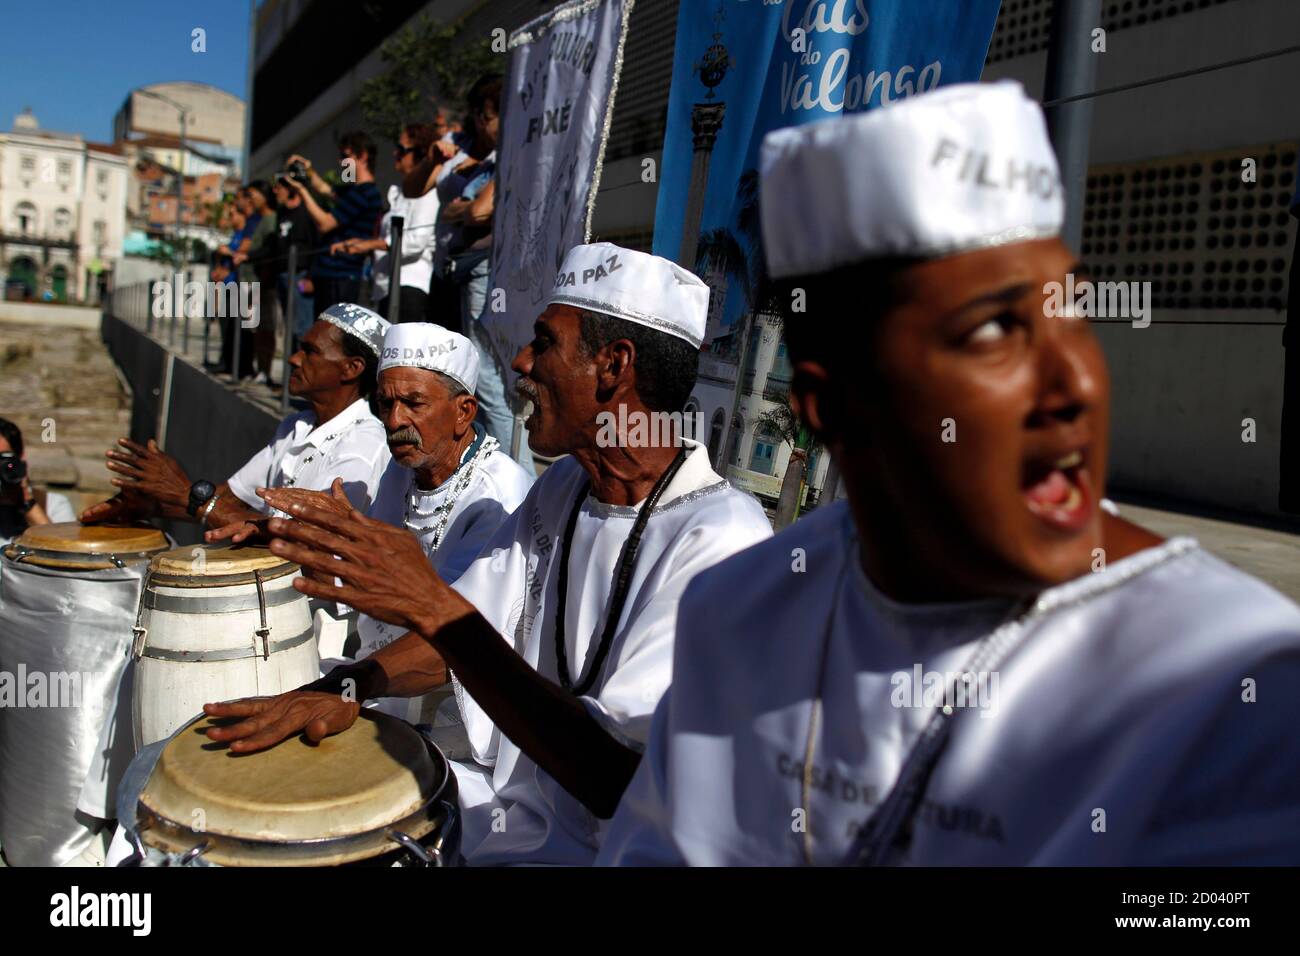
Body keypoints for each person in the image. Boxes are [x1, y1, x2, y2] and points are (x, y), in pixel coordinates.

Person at [597, 82, 1300, 867]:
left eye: (1073, 314)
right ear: (835, 407)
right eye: (996, 330)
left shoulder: (1238, 681)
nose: (1076, 386)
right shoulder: (742, 614)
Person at [203, 243, 775, 866]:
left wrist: (429, 601)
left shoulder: (721, 537)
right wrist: (348, 686)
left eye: (545, 342)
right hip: (505, 817)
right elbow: (464, 629)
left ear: (613, 366)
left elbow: (616, 776)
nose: (523, 362)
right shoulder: (564, 487)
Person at [214, 322, 534, 719]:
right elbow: (369, 580)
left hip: (449, 713)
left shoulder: (497, 496)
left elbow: (451, 641)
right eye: (385, 404)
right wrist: (302, 536)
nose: (395, 420)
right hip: (372, 676)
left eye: (414, 404)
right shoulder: (401, 471)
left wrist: (345, 689)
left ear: (463, 412)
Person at [80, 303, 393, 529]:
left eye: (310, 352)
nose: (294, 359)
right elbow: (231, 500)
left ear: (352, 368)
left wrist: (184, 493)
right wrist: (152, 503)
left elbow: (306, 538)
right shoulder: (296, 426)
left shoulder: (362, 446)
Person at [429, 73, 535, 475]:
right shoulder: (490, 156)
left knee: (489, 379)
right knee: (491, 378)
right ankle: (509, 468)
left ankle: (519, 474)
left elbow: (474, 211)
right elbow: (454, 206)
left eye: (488, 117)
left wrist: (462, 208)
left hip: (490, 273)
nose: (485, 126)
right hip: (485, 272)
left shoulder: (513, 153)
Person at [330, 123, 441, 323]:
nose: (394, 154)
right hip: (386, 287)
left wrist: (370, 244)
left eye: (401, 150)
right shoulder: (399, 191)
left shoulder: (427, 191)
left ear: (419, 153)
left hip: (409, 287)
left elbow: (416, 240)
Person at [289, 132, 385, 316]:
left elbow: (325, 223)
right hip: (331, 274)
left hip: (341, 276)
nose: (341, 162)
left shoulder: (364, 194)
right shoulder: (353, 190)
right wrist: (308, 170)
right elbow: (326, 189)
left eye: (345, 157)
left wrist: (301, 190)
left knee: (331, 336)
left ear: (363, 156)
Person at [0, 417, 76, 544]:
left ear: (20, 459)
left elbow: (64, 552)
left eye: (3, 460)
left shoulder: (53, 504)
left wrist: (26, 502)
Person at [234, 180, 279, 385]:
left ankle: (264, 369)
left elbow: (268, 252)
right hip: (254, 282)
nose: (251, 200)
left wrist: (262, 282)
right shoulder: (260, 219)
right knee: (255, 329)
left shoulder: (270, 219)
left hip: (262, 282)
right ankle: (258, 368)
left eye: (253, 195)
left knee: (264, 328)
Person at [270, 174, 317, 353]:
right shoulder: (281, 213)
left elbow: (316, 244)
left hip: (301, 275)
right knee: (289, 326)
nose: (276, 191)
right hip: (283, 274)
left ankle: (303, 373)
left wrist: (311, 277)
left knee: (302, 328)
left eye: (280, 187)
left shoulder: (306, 214)